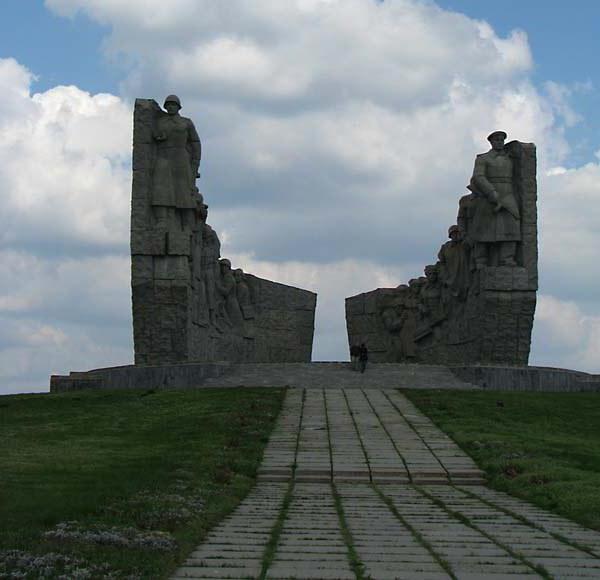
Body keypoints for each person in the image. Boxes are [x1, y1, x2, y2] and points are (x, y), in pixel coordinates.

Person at [468, 131, 521, 268]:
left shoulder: (509, 158)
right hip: (488, 196)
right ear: (491, 142)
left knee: (511, 226)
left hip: (508, 194)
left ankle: (507, 258)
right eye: (496, 140)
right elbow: (478, 177)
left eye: (501, 140)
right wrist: (491, 192)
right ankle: (481, 260)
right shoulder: (483, 158)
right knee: (484, 229)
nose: (499, 142)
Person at [151, 94, 201, 231]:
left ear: (178, 107)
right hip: (164, 156)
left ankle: (186, 223)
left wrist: (195, 163)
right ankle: (161, 220)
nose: (171, 107)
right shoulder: (160, 122)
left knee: (183, 190)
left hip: (181, 158)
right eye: (168, 105)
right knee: (160, 188)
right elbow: (153, 136)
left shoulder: (186, 122)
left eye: (173, 104)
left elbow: (195, 143)